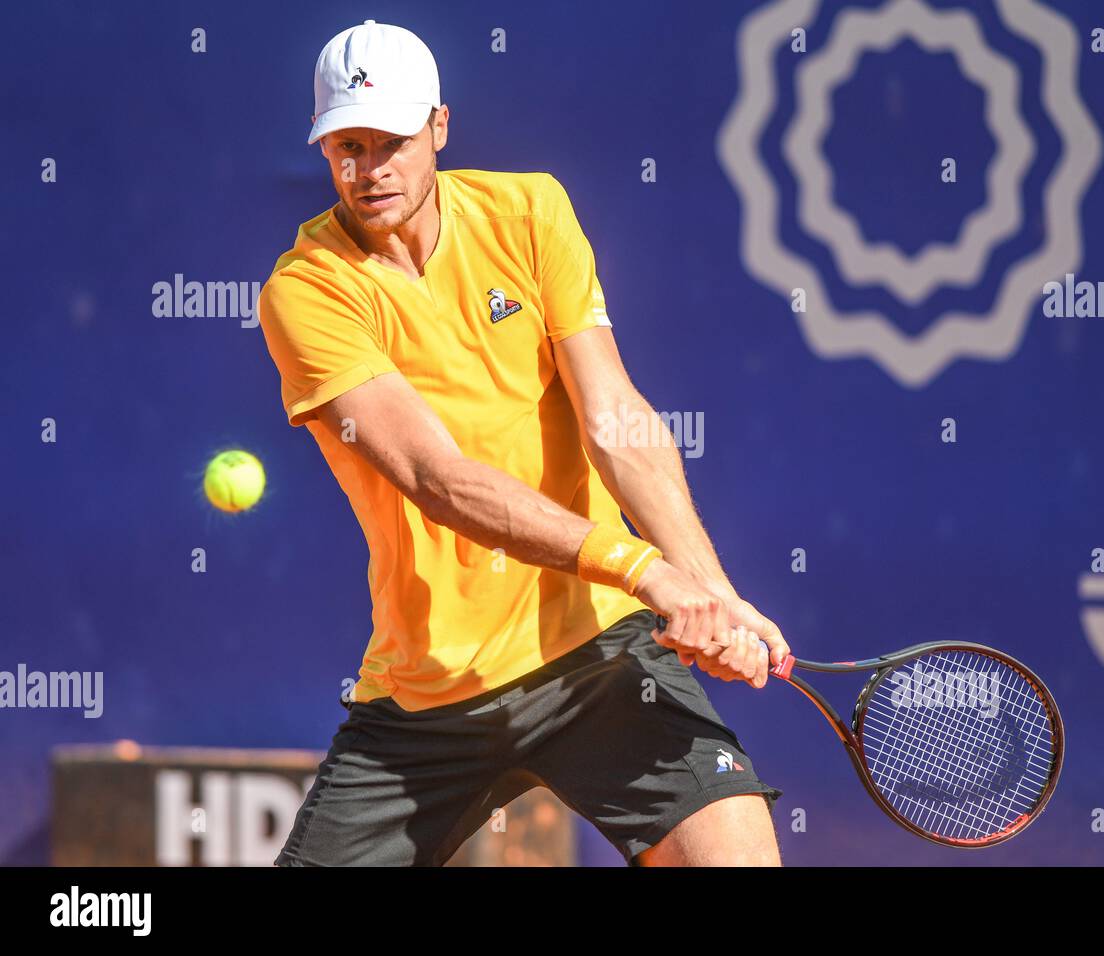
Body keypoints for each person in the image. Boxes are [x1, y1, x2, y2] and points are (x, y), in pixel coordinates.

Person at [257, 19, 790, 866]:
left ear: (439, 126)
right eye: (346, 145)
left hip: (605, 659)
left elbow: (613, 416)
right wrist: (643, 569)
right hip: (433, 692)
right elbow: (438, 479)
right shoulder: (306, 291)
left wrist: (708, 590)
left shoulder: (530, 211)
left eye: (391, 140)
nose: (371, 169)